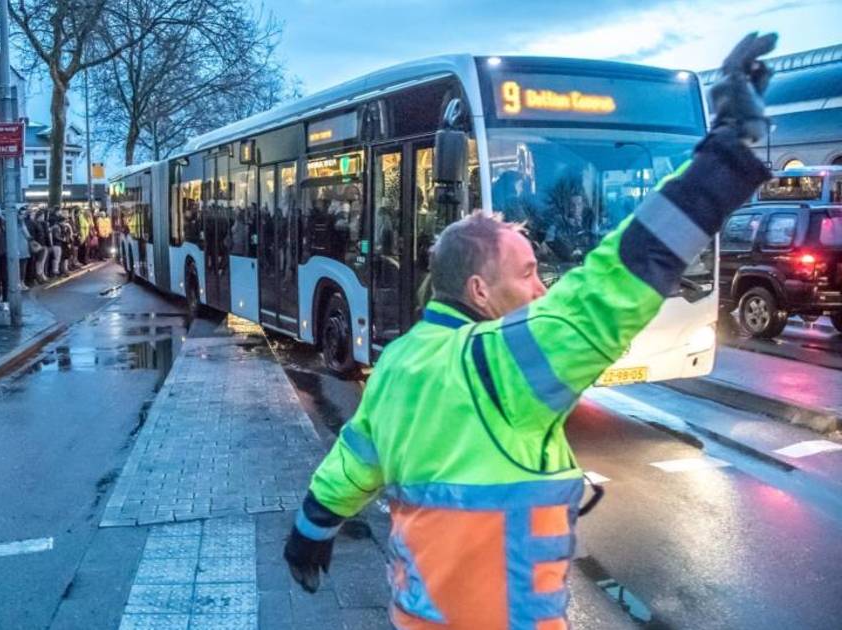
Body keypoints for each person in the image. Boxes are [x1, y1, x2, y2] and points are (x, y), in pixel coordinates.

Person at [281, 33, 777, 630]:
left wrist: (311, 528)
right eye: (529, 272)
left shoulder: (400, 363)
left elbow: (355, 460)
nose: (544, 288)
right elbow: (610, 286)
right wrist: (721, 161)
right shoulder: (507, 363)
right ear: (480, 292)